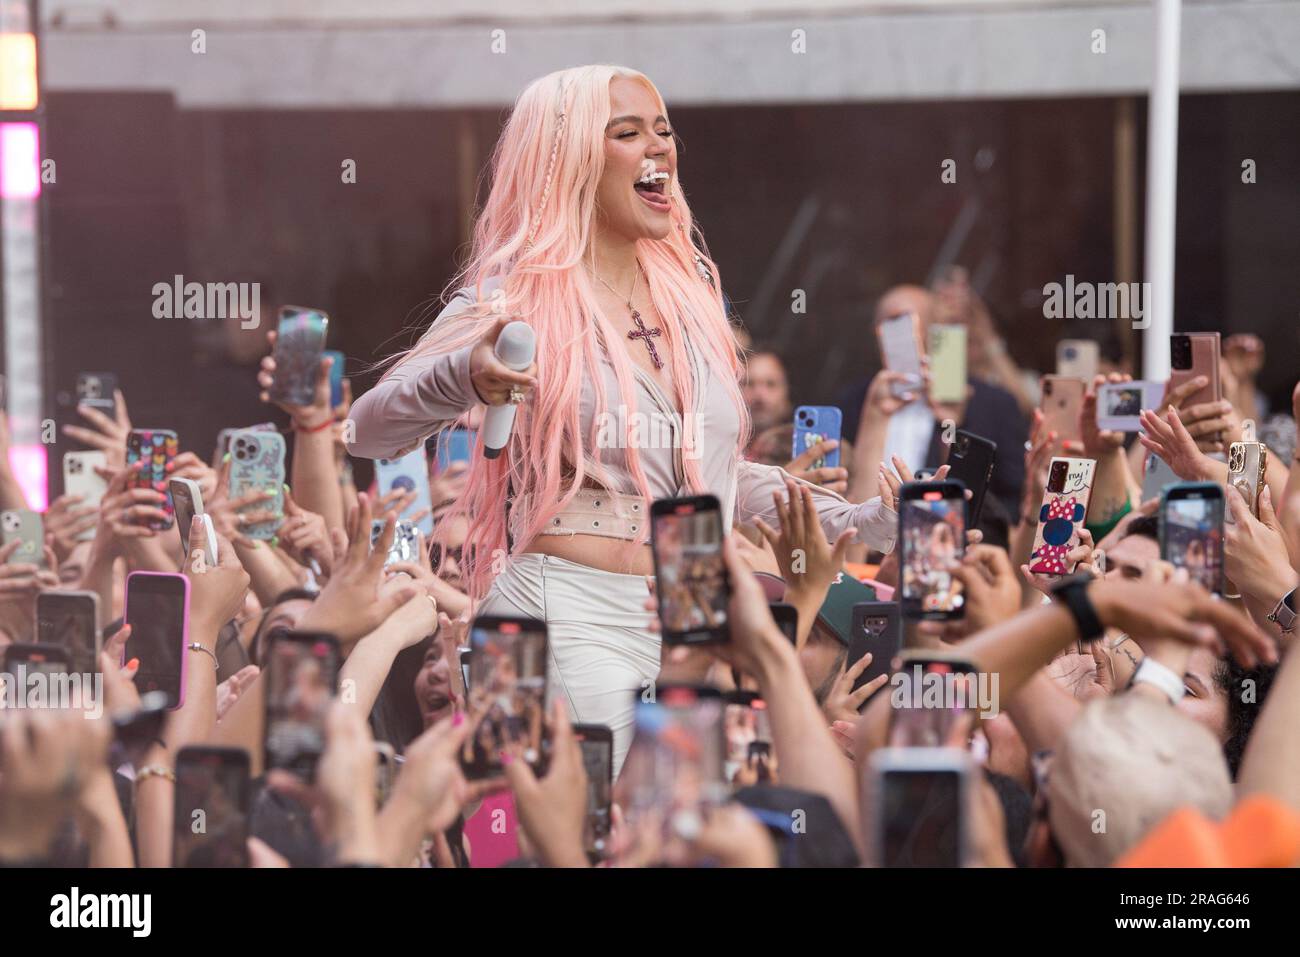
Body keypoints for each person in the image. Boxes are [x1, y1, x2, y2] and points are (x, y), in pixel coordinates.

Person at [346, 65, 897, 773]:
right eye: (628, 133)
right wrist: (465, 374)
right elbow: (369, 430)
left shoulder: (691, 303)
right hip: (565, 616)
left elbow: (716, 480)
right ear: (569, 155)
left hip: (694, 619)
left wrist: (863, 519)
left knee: (697, 835)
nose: (658, 149)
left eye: (664, 131)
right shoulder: (515, 301)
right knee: (619, 834)